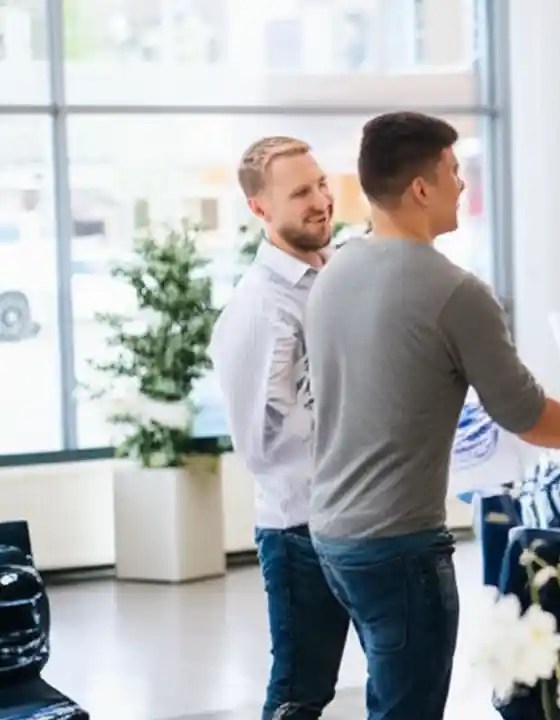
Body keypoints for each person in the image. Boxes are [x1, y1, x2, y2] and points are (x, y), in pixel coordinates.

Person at [303, 111, 560, 720]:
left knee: (388, 699)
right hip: (398, 543)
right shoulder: (453, 291)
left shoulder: (335, 272)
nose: (462, 185)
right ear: (421, 187)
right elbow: (524, 412)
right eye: (453, 171)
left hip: (333, 533)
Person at [209, 136, 349, 720]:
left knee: (401, 687)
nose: (321, 201)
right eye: (300, 193)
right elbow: (264, 443)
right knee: (300, 694)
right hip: (301, 533)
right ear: (260, 209)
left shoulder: (341, 274)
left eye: (321, 184)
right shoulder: (258, 308)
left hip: (359, 517)